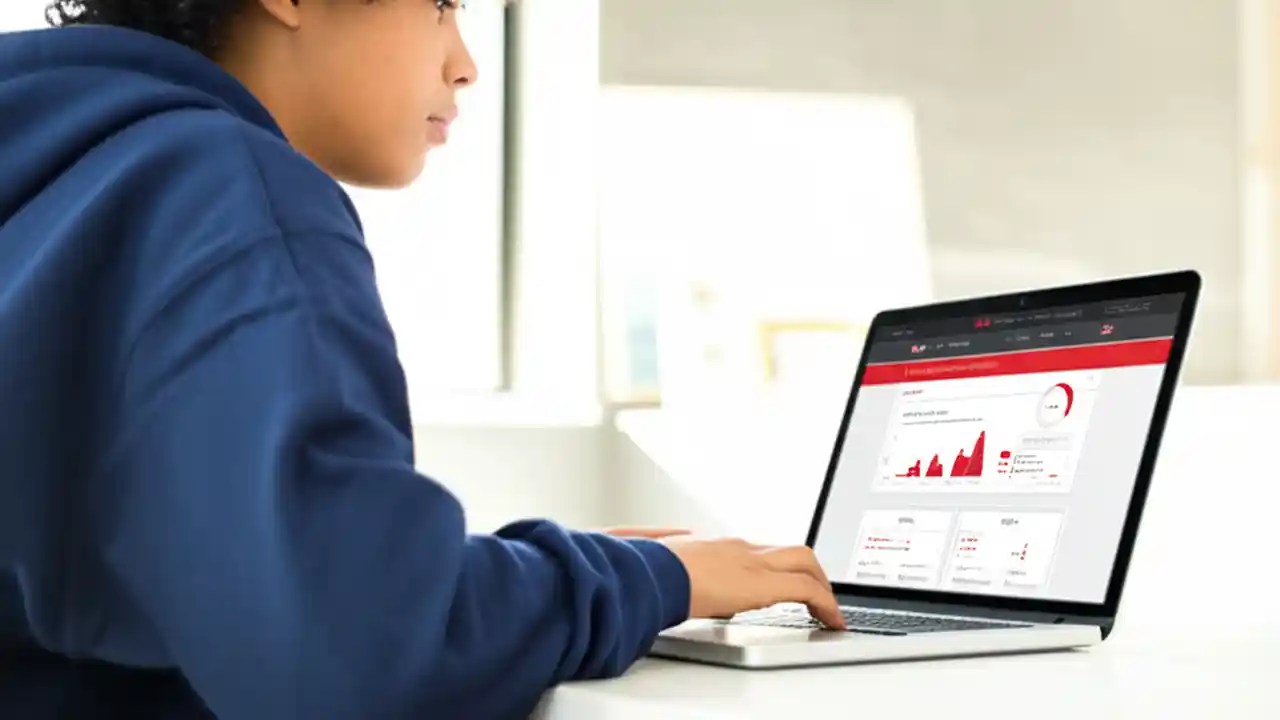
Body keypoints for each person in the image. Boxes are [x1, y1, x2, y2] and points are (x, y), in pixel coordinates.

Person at [0, 1, 846, 717]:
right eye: (441, 3)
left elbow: (229, 588)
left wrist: (515, 576)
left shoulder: (60, 168)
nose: (466, 64)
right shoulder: (227, 186)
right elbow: (352, 653)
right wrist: (641, 581)